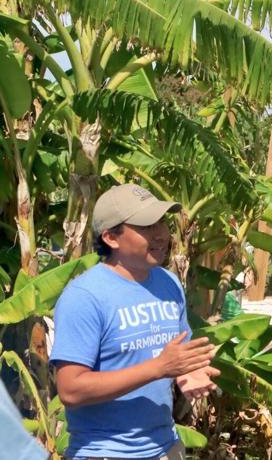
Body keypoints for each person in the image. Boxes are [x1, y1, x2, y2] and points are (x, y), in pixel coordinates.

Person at [50, 183, 221, 459]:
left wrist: (188, 371)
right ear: (111, 238)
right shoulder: (84, 297)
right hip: (105, 452)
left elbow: (176, 353)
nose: (161, 234)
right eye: (146, 226)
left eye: (162, 223)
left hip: (167, 447)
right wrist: (158, 368)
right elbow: (70, 389)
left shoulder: (169, 283)